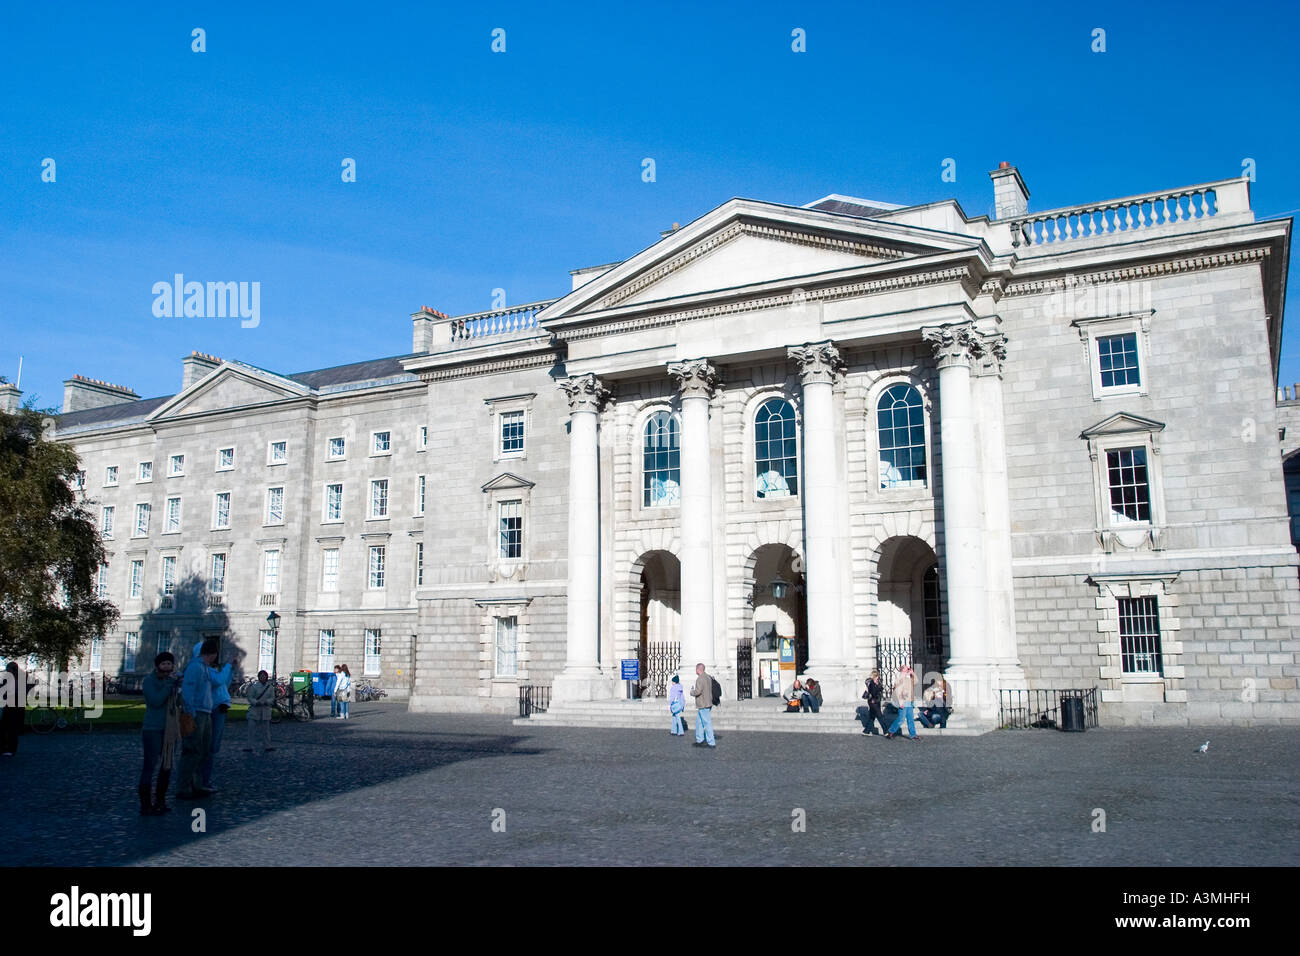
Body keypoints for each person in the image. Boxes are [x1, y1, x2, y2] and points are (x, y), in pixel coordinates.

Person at [176, 639, 224, 798]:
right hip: (197, 712)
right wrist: (190, 713)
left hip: (206, 712)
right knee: (192, 750)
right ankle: (184, 786)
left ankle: (196, 784)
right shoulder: (195, 667)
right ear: (212, 654)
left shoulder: (204, 668)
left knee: (202, 750)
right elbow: (188, 691)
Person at [139, 652, 181, 814]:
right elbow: (156, 701)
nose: (167, 667)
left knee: (166, 766)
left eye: (169, 664)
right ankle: (145, 804)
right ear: (158, 665)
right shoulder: (149, 681)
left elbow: (177, 703)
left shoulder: (171, 683)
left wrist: (179, 689)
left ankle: (160, 800)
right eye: (164, 664)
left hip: (169, 729)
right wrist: (169, 685)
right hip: (153, 728)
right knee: (149, 766)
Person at [193, 641, 232, 792]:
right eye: (210, 653)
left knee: (212, 747)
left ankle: (203, 780)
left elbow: (224, 685)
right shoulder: (204, 670)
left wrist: (231, 669)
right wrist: (228, 666)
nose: (214, 656)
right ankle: (201, 781)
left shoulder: (211, 670)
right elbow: (218, 682)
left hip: (219, 708)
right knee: (207, 748)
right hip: (211, 709)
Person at [1, 661, 35, 756]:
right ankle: (4, 747)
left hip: (16, 705)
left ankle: (10, 749)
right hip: (10, 704)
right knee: (4, 727)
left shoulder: (21, 678)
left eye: (8, 670)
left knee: (12, 728)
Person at [243, 670, 275, 752]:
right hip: (255, 709)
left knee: (266, 730)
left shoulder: (270, 687)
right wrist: (256, 702)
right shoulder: (254, 687)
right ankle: (248, 746)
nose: (263, 677)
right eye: (261, 676)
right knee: (251, 729)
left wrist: (267, 702)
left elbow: (272, 697)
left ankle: (267, 746)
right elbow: (250, 697)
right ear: (259, 677)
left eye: (264, 676)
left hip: (265, 710)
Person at [886, 665, 920, 740]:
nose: (908, 669)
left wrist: (913, 673)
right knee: (901, 719)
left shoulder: (908, 678)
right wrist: (900, 702)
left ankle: (913, 735)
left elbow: (916, 681)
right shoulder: (900, 679)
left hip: (909, 701)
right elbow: (898, 691)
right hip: (903, 701)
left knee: (910, 719)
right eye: (906, 668)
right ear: (902, 670)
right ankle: (891, 731)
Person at [690, 662, 716, 748]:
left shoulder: (700, 679)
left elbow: (698, 691)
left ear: (698, 669)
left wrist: (691, 692)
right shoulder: (708, 677)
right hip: (708, 702)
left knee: (707, 723)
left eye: (696, 669)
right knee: (699, 722)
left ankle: (711, 742)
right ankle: (699, 739)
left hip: (703, 704)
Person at [855, 670, 889, 735]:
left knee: (872, 717)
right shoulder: (871, 683)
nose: (878, 677)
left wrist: (878, 684)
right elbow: (873, 692)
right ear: (874, 676)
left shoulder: (877, 682)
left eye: (878, 676)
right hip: (873, 702)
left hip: (877, 701)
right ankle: (886, 731)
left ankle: (866, 731)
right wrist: (877, 685)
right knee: (880, 716)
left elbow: (881, 689)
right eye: (877, 676)